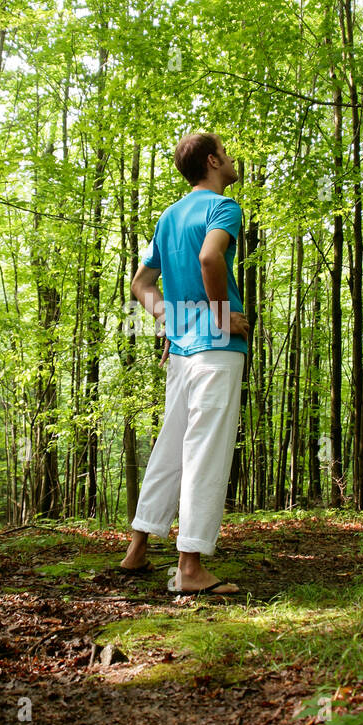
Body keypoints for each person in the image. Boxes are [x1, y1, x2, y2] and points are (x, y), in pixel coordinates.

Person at [120, 131, 250, 598]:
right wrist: (218, 318)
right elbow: (210, 256)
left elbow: (141, 282)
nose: (233, 161)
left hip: (181, 348)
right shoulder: (224, 208)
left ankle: (137, 548)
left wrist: (172, 319)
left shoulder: (169, 216)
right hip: (216, 350)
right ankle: (190, 568)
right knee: (204, 449)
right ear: (214, 161)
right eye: (227, 154)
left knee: (172, 445)